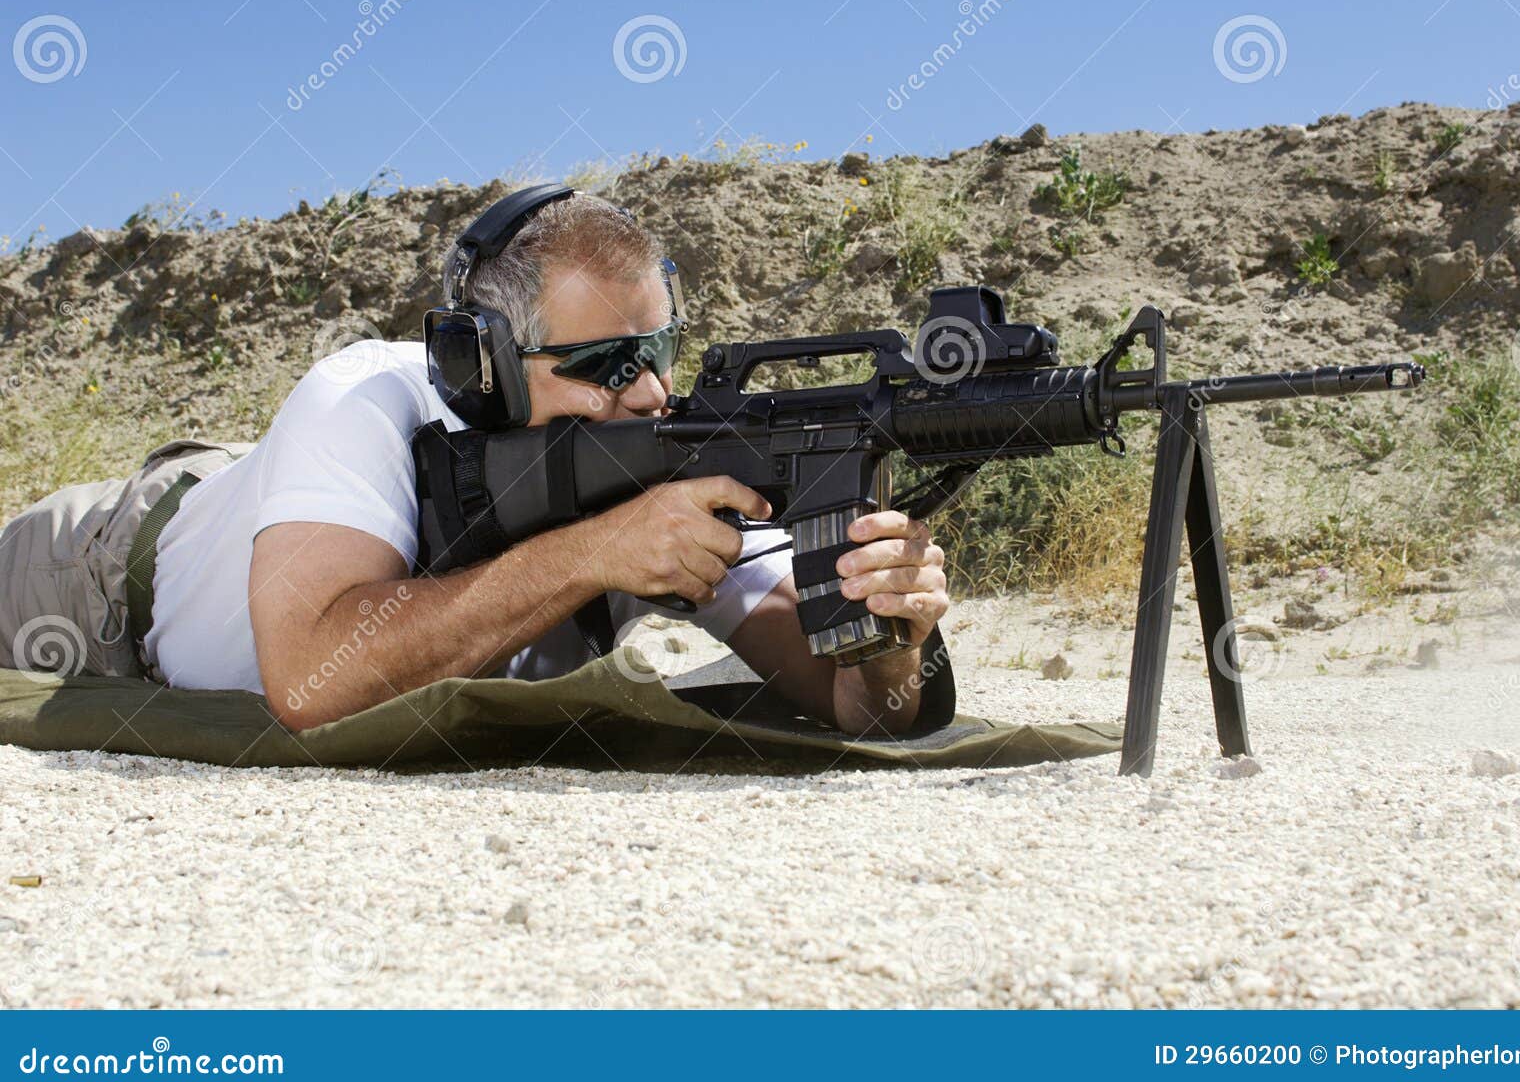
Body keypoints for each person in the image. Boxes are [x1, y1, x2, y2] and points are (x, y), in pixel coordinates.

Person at [1, 189, 950, 736]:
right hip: (97, 572)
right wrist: (592, 553)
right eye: (606, 367)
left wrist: (889, 644)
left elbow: (849, 704)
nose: (653, 395)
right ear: (485, 366)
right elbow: (308, 680)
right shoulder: (365, 396)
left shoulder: (658, 454)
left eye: (660, 353)